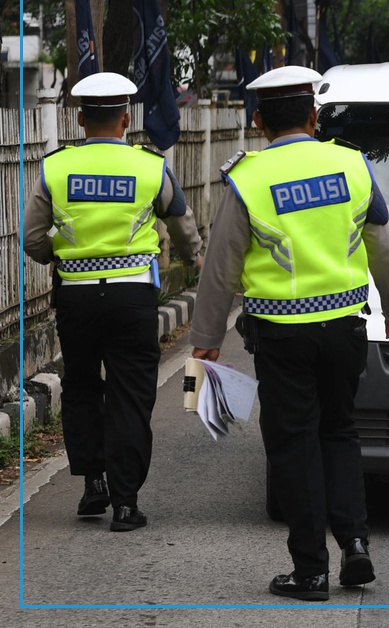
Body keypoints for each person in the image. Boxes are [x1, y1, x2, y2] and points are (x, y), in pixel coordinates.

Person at [189, 66, 389, 601]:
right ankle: (356, 544)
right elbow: (382, 244)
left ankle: (310, 571)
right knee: (339, 432)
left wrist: (206, 339)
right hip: (345, 327)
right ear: (314, 115)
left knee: (293, 446)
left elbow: (221, 266)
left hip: (281, 335)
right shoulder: (352, 165)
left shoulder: (248, 178)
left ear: (259, 121)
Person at [22, 72, 202, 532]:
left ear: (80, 119)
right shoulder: (151, 166)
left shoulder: (56, 168)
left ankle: (93, 484)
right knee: (130, 392)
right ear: (126, 118)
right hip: (132, 296)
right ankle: (126, 502)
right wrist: (192, 259)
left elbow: (32, 238)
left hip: (76, 297)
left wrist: (57, 254)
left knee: (82, 384)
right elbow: (180, 222)